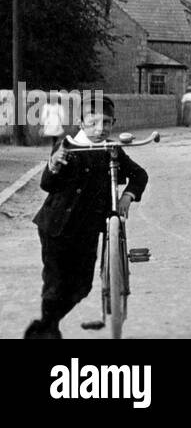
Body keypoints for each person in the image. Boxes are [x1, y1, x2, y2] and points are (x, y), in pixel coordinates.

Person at [24, 96, 147, 339]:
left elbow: (139, 175)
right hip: (56, 228)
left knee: (82, 286)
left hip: (88, 230)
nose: (100, 129)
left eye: (106, 122)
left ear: (114, 123)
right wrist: (54, 165)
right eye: (93, 122)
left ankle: (48, 324)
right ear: (81, 123)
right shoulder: (68, 146)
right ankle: (46, 329)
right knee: (56, 283)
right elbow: (47, 184)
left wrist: (128, 196)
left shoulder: (112, 149)